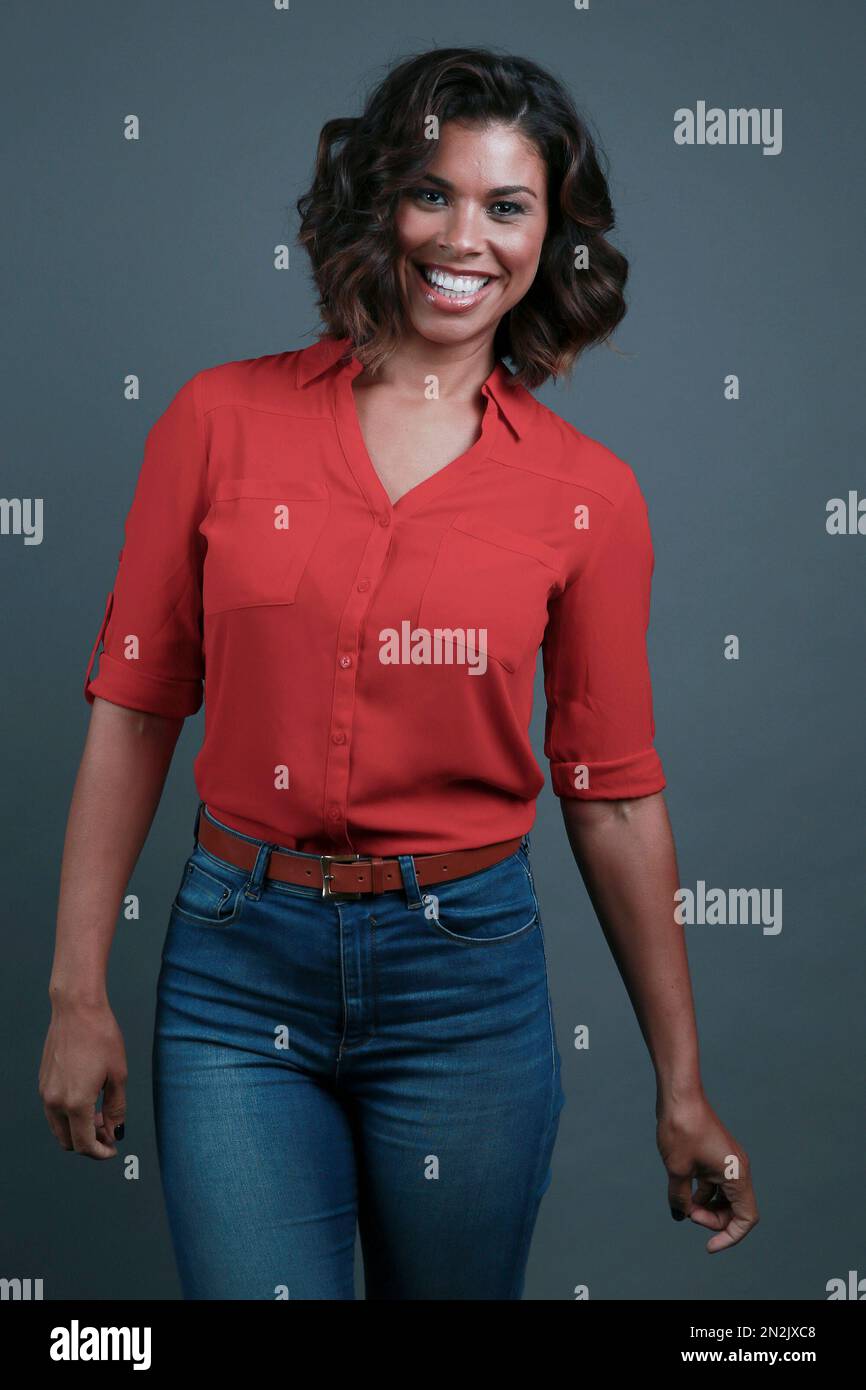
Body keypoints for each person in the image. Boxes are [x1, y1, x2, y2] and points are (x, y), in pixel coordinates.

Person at [40, 46, 758, 1300]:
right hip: (234, 968)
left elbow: (613, 792)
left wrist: (680, 1085)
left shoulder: (587, 496)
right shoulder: (217, 421)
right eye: (432, 191)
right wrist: (74, 990)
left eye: (506, 205)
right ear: (378, 199)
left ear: (549, 237)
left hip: (463, 985)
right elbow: (136, 705)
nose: (461, 237)